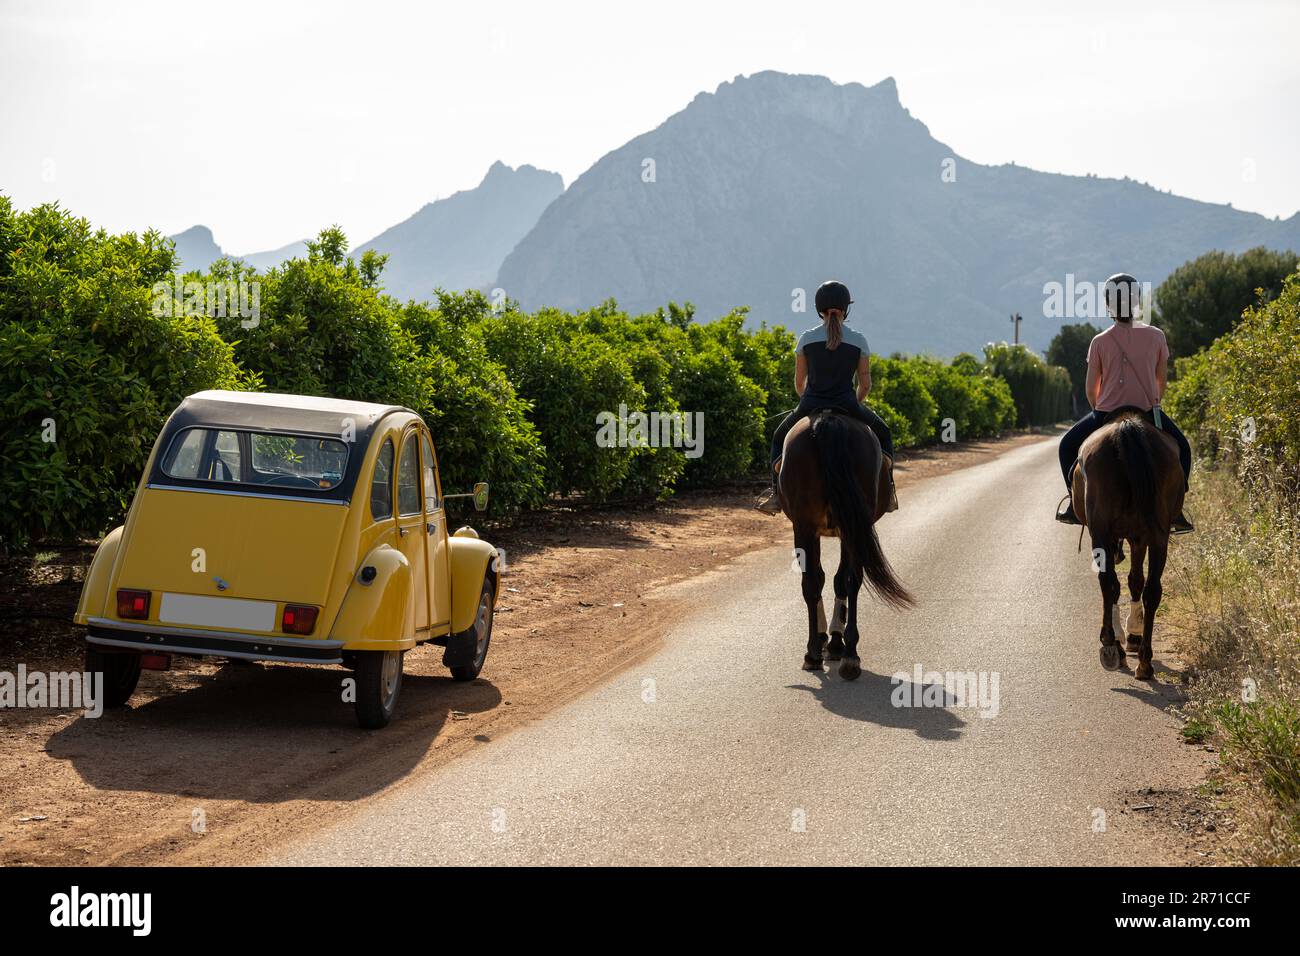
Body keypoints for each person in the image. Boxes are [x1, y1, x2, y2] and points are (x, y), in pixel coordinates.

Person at [1055, 273, 1194, 533]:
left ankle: (1074, 507)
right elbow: (1161, 381)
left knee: (1066, 447)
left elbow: (1090, 389)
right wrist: (1152, 403)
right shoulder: (1156, 336)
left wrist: (1101, 412)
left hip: (1106, 413)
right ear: (1137, 301)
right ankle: (1176, 513)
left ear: (1108, 303)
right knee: (1183, 449)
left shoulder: (1099, 341)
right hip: (1148, 413)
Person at [755, 280, 896, 515]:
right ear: (846, 309)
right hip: (848, 405)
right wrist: (854, 404)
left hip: (810, 404)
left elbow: (799, 383)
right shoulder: (859, 340)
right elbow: (865, 384)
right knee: (884, 434)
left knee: (779, 438)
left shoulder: (806, 339)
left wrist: (808, 401)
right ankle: (888, 492)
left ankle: (774, 494)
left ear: (818, 308)